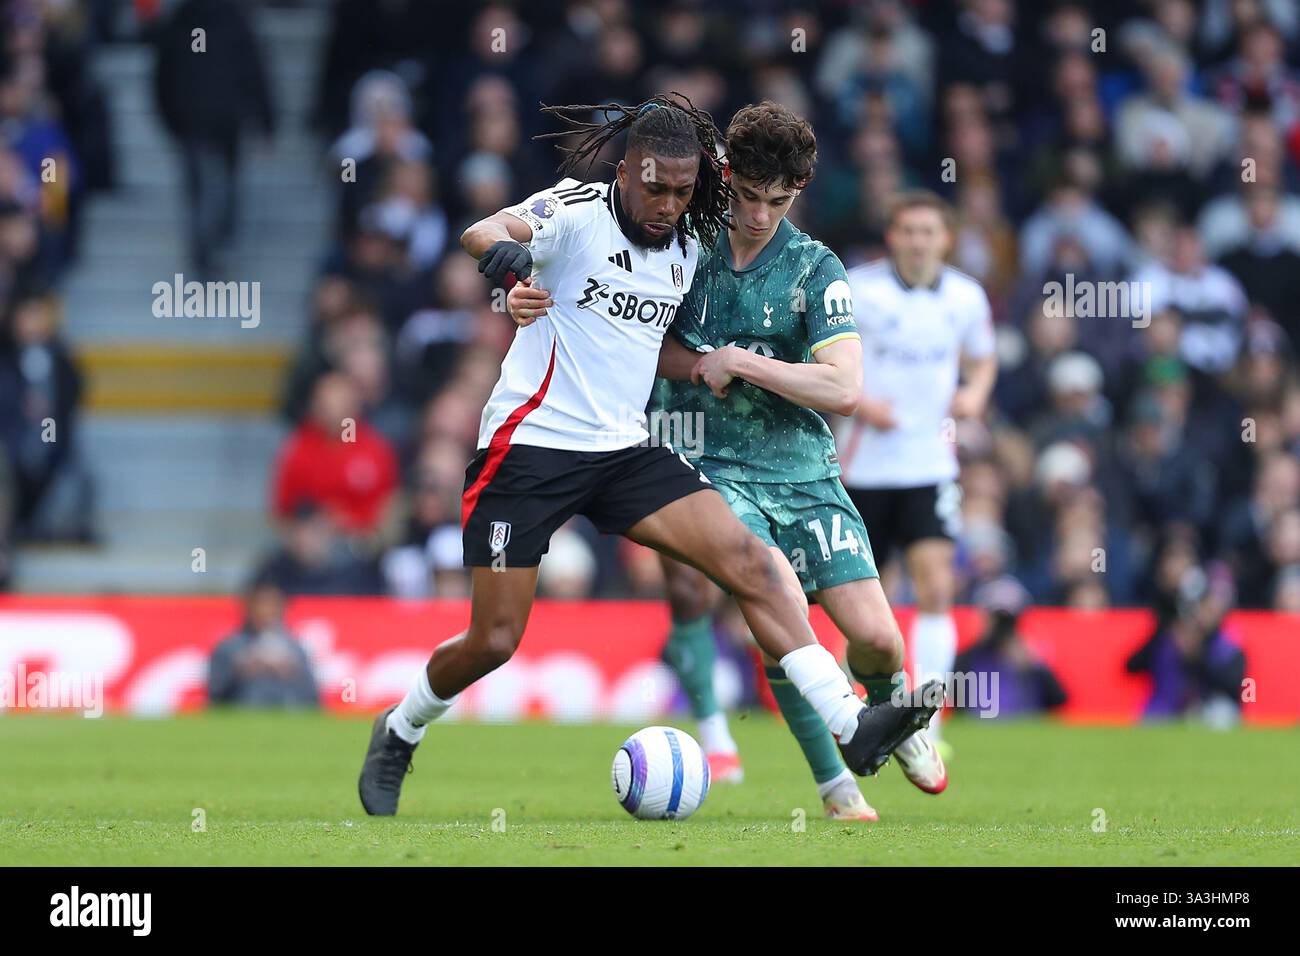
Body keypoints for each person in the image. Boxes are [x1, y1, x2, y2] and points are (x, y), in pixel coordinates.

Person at [357, 95, 940, 816]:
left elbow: (650, 345)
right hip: (531, 448)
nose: (667, 204)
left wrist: (703, 366)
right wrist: (506, 266)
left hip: (624, 450)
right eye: (655, 186)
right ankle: (401, 726)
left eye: (682, 191)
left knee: (754, 568)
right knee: (495, 639)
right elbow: (485, 230)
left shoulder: (694, 240)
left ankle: (854, 727)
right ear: (627, 168)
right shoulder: (574, 211)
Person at [837, 191, 998, 751]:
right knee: (863, 602)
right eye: (908, 230)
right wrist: (856, 402)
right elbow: (820, 356)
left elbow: (983, 356)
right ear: (892, 236)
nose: (918, 241)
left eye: (929, 231)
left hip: (930, 466)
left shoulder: (965, 297)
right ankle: (854, 710)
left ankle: (928, 720)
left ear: (946, 238)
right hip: (863, 469)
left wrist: (975, 393)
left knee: (936, 586)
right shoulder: (858, 289)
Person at [952, 576, 1068, 718]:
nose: (1003, 628)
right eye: (997, 619)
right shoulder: (969, 659)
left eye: (1008, 621)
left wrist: (1034, 665)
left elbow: (1059, 700)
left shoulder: (1029, 657)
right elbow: (954, 700)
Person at [207, 576, 319, 708]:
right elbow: (215, 695)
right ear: (248, 606)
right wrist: (240, 671)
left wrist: (292, 672)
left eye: (272, 605)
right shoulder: (228, 648)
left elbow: (313, 697)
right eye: (260, 604)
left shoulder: (295, 648)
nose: (265, 611)